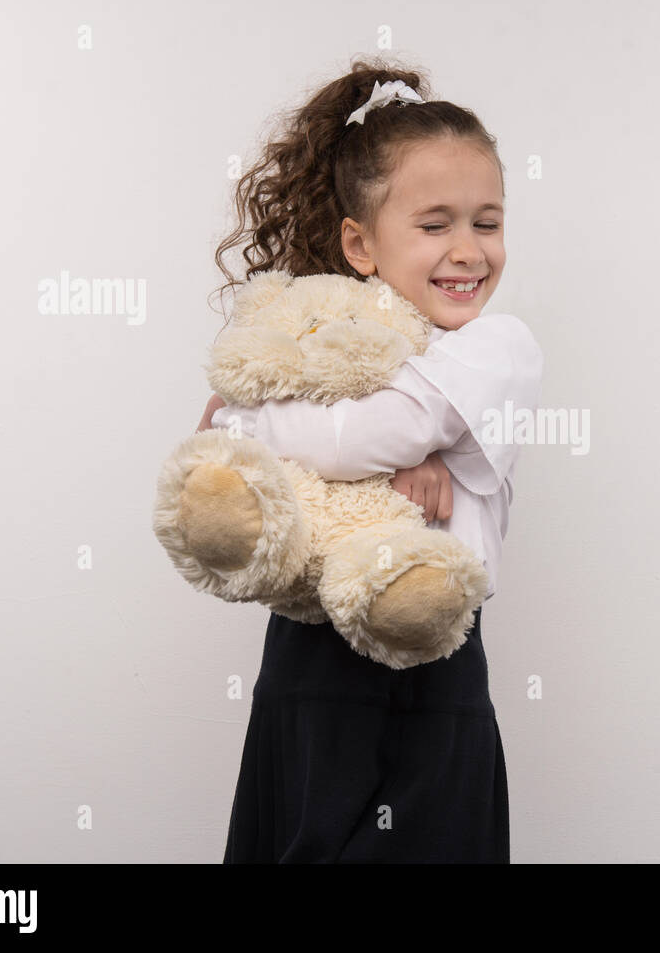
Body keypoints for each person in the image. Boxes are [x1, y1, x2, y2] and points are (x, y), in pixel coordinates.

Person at [195, 57, 542, 863]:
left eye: (486, 222)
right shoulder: (318, 333)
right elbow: (241, 454)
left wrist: (253, 421)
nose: (468, 250)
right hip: (307, 674)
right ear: (360, 242)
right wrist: (379, 470)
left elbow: (373, 432)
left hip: (426, 681)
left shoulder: (497, 349)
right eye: (435, 224)